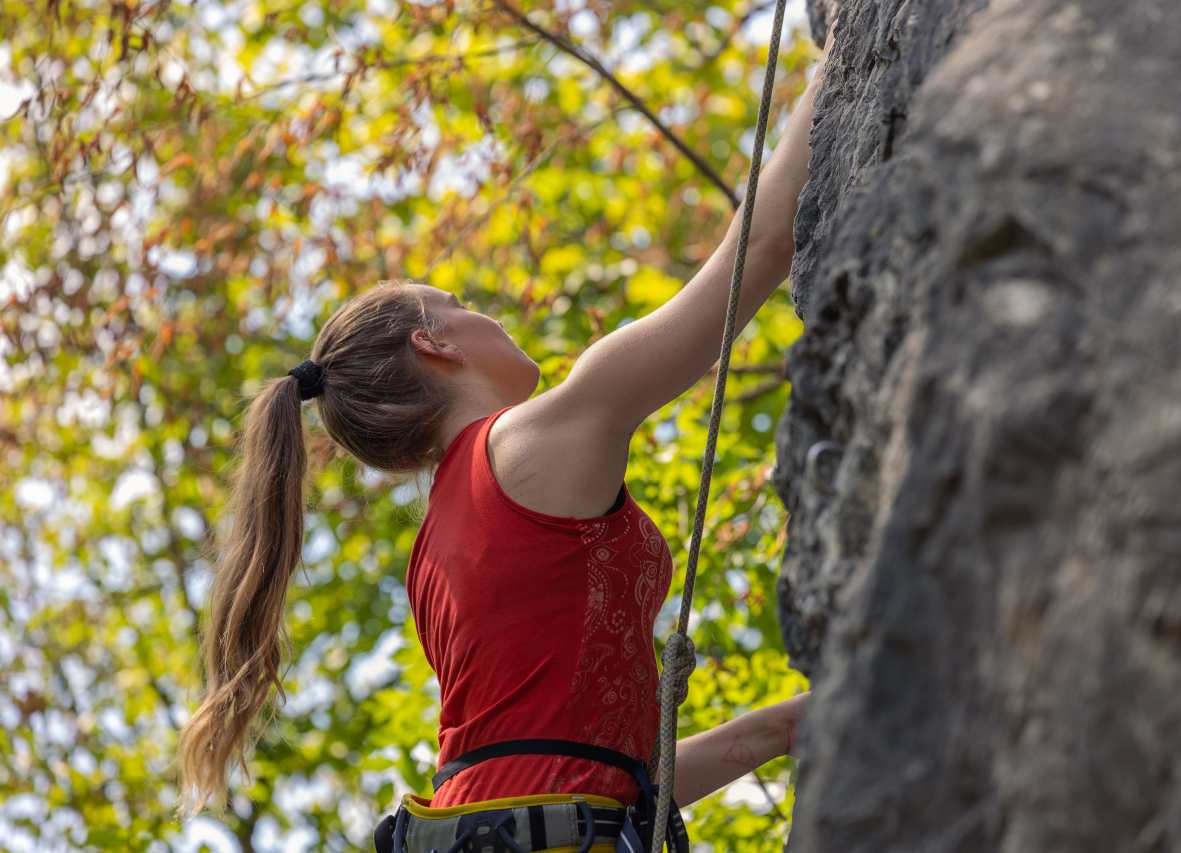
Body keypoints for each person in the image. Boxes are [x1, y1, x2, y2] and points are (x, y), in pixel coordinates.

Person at [178, 29, 832, 852]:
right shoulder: (530, 445)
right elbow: (756, 253)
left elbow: (594, 769)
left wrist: (781, 729)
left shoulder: (433, 559)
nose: (487, 312)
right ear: (435, 344)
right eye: (458, 302)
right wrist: (842, 57)